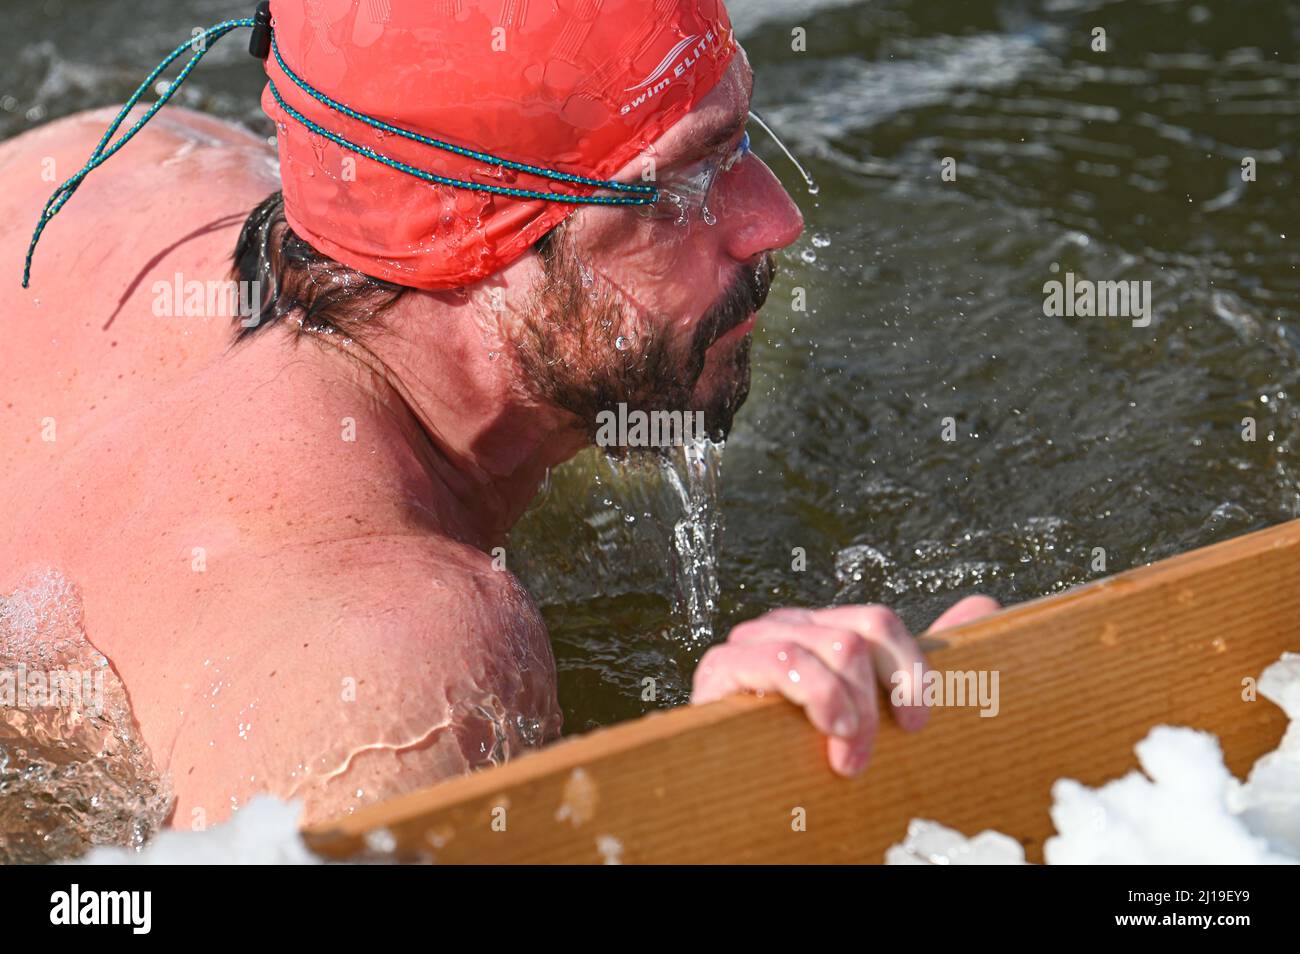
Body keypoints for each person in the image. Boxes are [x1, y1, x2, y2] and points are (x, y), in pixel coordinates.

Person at [0, 0, 997, 826]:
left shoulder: (116, 173)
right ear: (469, 249)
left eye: (740, 141)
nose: (775, 218)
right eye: (683, 184)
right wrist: (701, 804)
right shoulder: (406, 662)